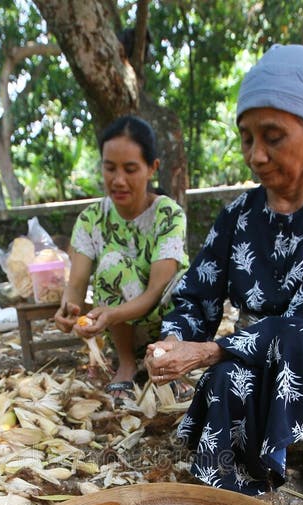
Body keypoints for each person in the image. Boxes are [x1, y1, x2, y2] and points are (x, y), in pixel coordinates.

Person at [145, 43, 303, 499]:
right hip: (247, 354)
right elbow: (198, 294)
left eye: (272, 137)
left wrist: (206, 351)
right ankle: (232, 496)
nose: (256, 155)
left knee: (298, 346)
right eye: (246, 138)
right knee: (224, 380)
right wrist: (174, 340)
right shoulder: (238, 215)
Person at [54, 115, 188, 402]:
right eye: (109, 168)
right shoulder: (91, 219)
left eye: (130, 169)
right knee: (112, 263)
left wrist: (111, 313)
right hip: (123, 329)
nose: (118, 180)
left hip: (167, 325)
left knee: (184, 282)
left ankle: (171, 363)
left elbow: (156, 292)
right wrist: (68, 311)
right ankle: (127, 363)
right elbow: (76, 284)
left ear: (152, 168)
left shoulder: (168, 214)